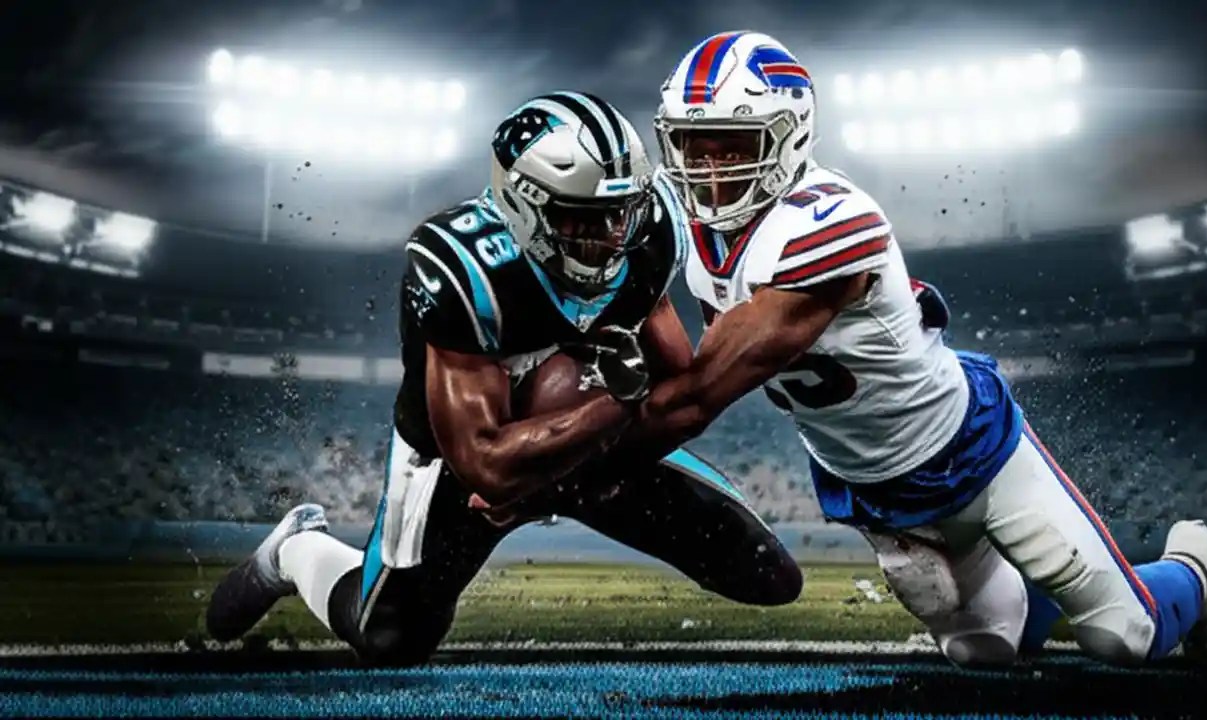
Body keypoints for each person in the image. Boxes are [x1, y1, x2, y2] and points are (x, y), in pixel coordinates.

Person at [591, 30, 1207, 667]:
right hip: (868, 481)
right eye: (690, 148)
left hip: (968, 452)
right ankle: (1045, 584)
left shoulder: (827, 225)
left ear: (788, 136)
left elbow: (702, 391)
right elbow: (682, 370)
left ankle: (1191, 563)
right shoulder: (695, 237)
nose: (707, 171)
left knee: (1123, 636)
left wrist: (573, 472)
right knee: (982, 648)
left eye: (730, 149)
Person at [205, 91, 802, 666]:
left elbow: (677, 390)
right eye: (583, 219)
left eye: (620, 213)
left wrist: (588, 459)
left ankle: (580, 469)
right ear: (524, 205)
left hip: (597, 449)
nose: (610, 237)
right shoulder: (467, 270)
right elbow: (483, 465)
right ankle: (294, 550)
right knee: (388, 637)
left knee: (767, 576)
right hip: (461, 463)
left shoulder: (646, 232)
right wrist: (616, 402)